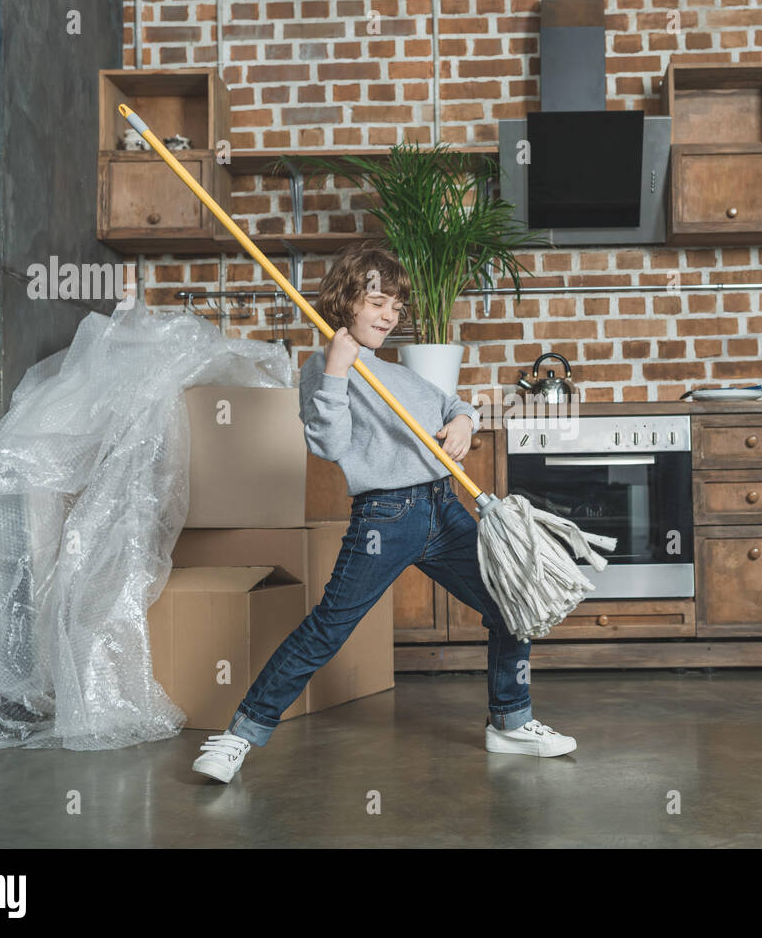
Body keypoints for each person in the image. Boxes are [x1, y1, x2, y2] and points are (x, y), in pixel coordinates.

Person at [192, 242, 576, 783]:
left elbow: (451, 405)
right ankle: (239, 737)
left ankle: (510, 721)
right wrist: (335, 371)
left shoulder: (394, 372)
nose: (390, 316)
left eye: (396, 307)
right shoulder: (323, 368)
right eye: (378, 302)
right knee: (328, 628)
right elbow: (328, 443)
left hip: (445, 507)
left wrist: (464, 421)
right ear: (346, 300)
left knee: (511, 604)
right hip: (386, 519)